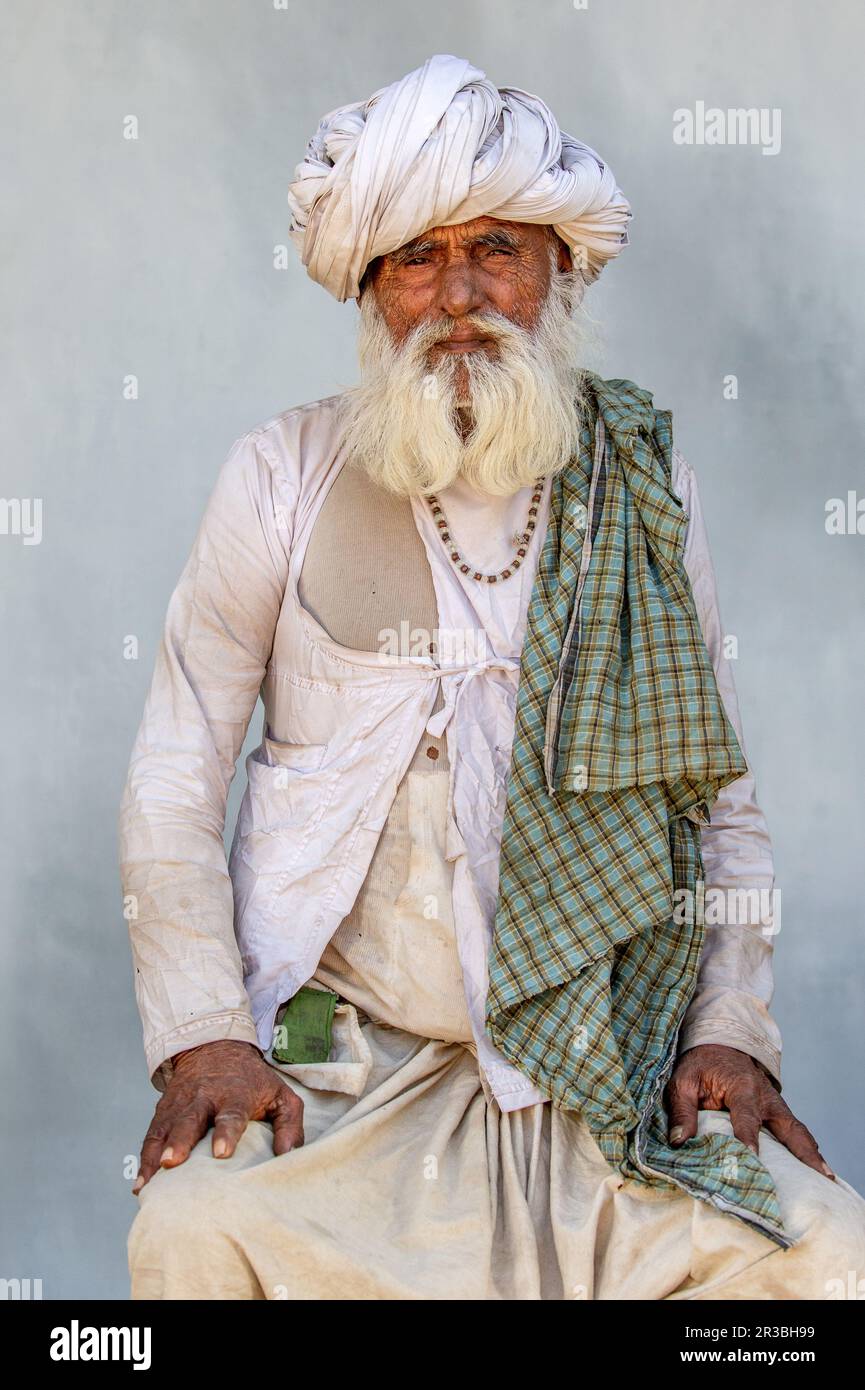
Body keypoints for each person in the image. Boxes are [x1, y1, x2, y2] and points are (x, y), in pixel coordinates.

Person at [120, 54, 865, 1300]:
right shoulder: (276, 477)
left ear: (555, 273)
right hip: (342, 1073)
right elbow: (174, 772)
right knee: (188, 1234)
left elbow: (717, 807)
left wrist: (730, 1029)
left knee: (825, 1260)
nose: (459, 295)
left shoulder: (638, 485)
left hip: (598, 1073)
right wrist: (204, 1029)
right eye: (418, 258)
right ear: (370, 287)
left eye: (496, 253)